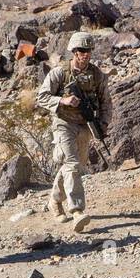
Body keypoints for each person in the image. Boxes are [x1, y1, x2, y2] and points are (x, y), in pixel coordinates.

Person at [37, 32, 112, 233]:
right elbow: (41, 97)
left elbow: (106, 102)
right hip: (63, 123)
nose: (84, 55)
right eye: (80, 51)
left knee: (76, 166)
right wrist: (62, 100)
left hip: (85, 125)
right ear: (73, 51)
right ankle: (77, 210)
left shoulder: (96, 75)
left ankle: (54, 200)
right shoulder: (59, 73)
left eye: (87, 51)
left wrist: (102, 125)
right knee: (71, 163)